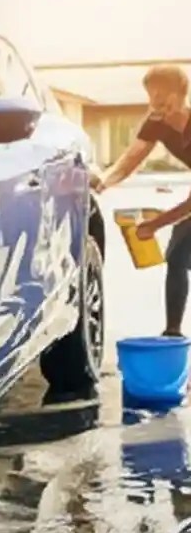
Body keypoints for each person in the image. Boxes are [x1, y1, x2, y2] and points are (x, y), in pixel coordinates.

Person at [94, 64, 191, 336]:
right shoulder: (156, 123)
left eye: (163, 94)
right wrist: (103, 181)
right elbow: (130, 160)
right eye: (151, 94)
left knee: (180, 252)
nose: (156, 100)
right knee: (177, 257)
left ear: (182, 93)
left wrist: (155, 224)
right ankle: (173, 332)